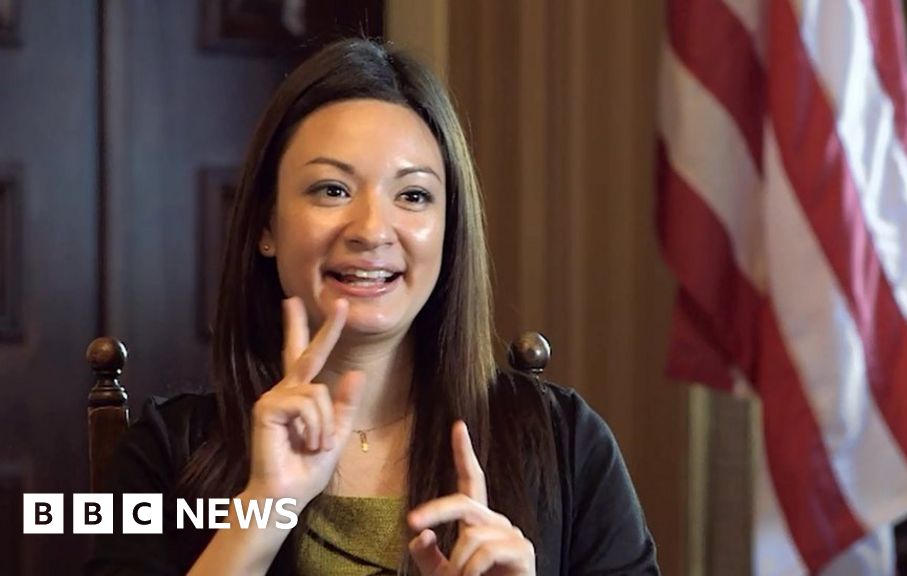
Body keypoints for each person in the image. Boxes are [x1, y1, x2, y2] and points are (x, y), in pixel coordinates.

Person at [87, 38, 658, 575]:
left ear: (448, 231)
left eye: (413, 195)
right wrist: (262, 512)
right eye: (331, 190)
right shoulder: (167, 451)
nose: (371, 230)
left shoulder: (565, 443)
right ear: (266, 225)